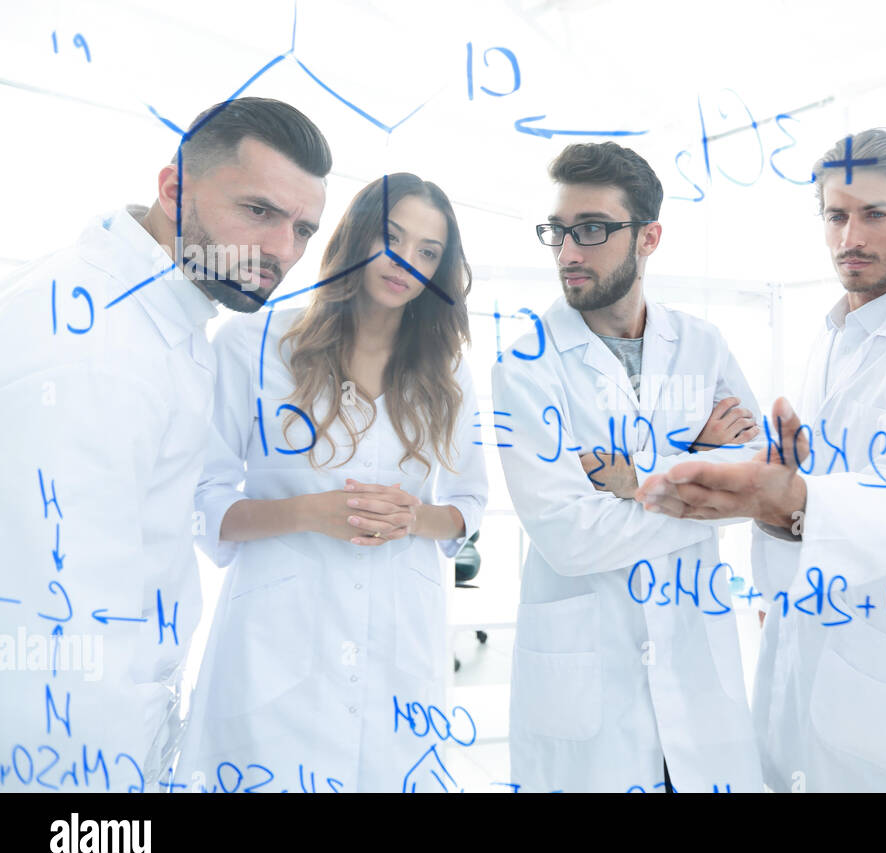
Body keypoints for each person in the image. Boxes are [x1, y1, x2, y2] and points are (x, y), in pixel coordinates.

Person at [637, 129, 886, 792]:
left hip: (882, 642)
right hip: (800, 626)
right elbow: (806, 482)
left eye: (874, 215)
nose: (849, 238)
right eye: (836, 215)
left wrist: (786, 499)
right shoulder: (833, 334)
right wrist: (776, 529)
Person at [0, 97, 330, 792]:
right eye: (259, 211)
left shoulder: (167, 315)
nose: (283, 252)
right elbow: (60, 623)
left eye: (303, 228)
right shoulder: (95, 344)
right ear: (174, 188)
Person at [174, 173, 488, 793]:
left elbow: (469, 503)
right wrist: (305, 513)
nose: (406, 262)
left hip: (399, 639)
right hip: (275, 640)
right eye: (392, 238)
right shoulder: (255, 343)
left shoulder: (446, 370)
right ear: (355, 237)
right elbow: (201, 499)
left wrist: (414, 519)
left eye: (428, 252)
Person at [491, 142, 764, 793]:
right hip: (590, 686)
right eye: (556, 232)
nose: (567, 253)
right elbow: (570, 536)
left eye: (590, 230)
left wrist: (634, 482)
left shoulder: (702, 343)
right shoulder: (525, 364)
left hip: (696, 667)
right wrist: (697, 468)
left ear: (649, 237)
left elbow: (755, 472)